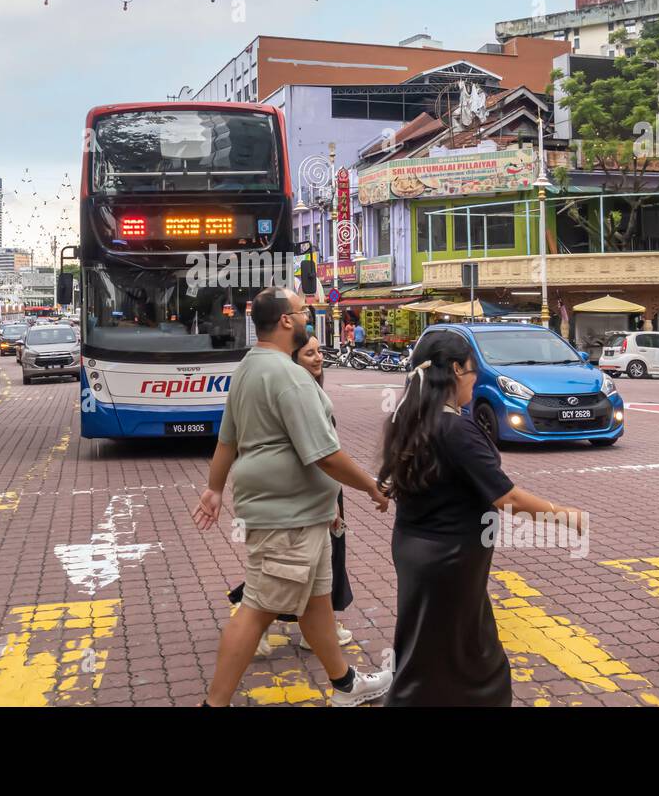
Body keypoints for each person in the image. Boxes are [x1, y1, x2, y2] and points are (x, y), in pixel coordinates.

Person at [193, 287, 392, 707]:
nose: (309, 316)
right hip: (285, 518)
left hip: (302, 514)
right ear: (286, 320)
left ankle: (345, 685)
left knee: (316, 603)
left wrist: (214, 488)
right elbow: (324, 454)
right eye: (304, 311)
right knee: (258, 608)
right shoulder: (288, 377)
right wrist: (372, 485)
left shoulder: (250, 366)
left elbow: (227, 440)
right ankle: (215, 703)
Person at [380, 330, 586, 706]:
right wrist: (564, 515)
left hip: (419, 550)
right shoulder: (456, 429)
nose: (475, 379)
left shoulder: (407, 417)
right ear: (456, 369)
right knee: (466, 661)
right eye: (473, 371)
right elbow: (506, 496)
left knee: (438, 648)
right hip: (449, 558)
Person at [225, 334, 355, 655]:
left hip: (314, 492)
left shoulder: (308, 391)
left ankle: (326, 648)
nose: (318, 358)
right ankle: (256, 628)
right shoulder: (291, 392)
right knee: (286, 566)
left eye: (319, 352)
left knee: (307, 567)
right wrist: (365, 487)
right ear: (292, 361)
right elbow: (318, 455)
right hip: (303, 495)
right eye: (309, 353)